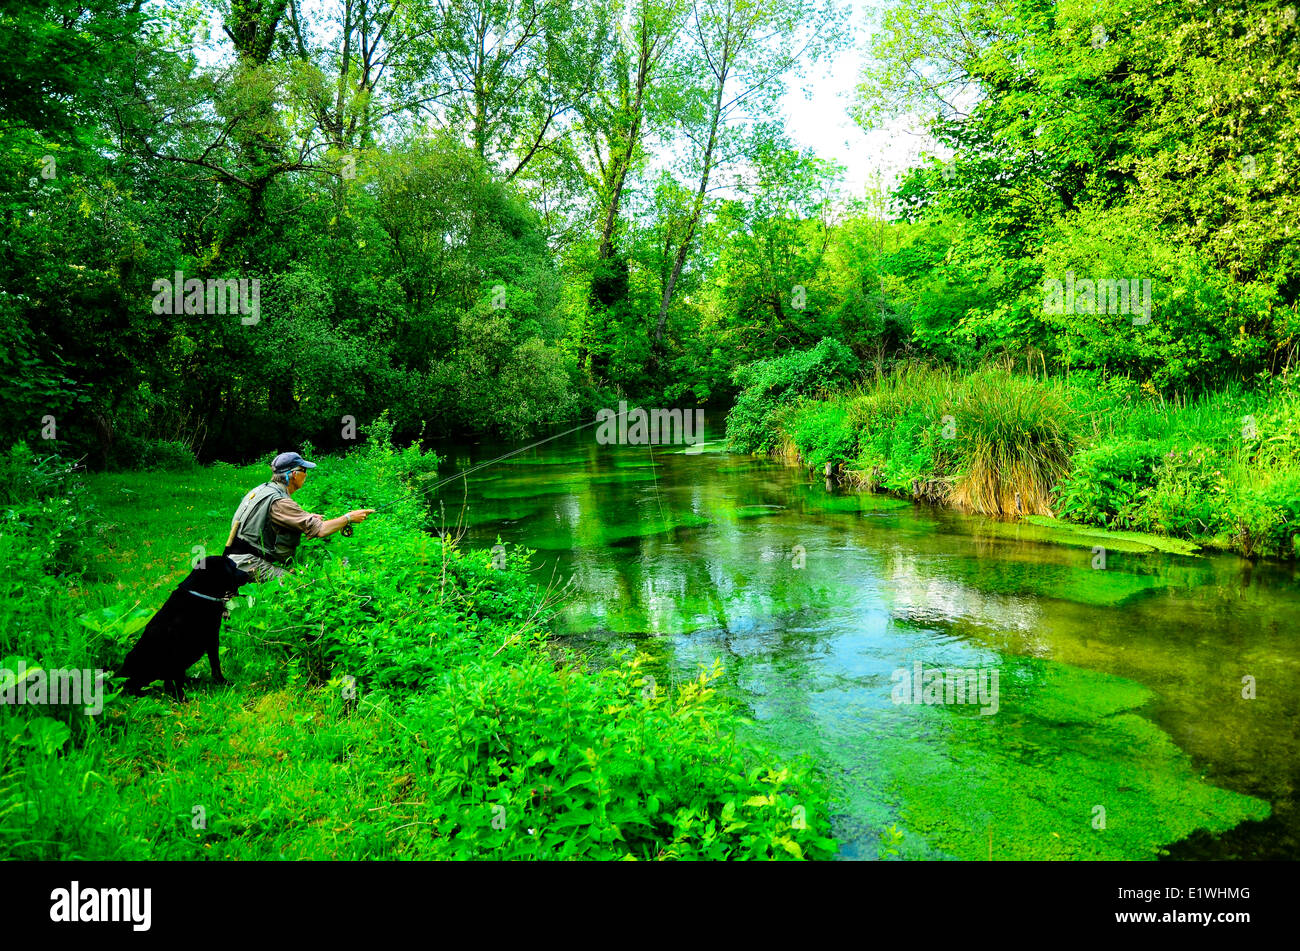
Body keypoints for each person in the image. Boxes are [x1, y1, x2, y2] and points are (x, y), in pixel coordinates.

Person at [224, 451, 375, 582]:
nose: (306, 474)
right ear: (294, 474)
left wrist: (307, 517)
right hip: (247, 563)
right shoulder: (280, 502)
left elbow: (273, 518)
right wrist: (349, 518)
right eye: (304, 470)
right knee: (299, 586)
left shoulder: (262, 489)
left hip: (235, 558)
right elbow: (320, 530)